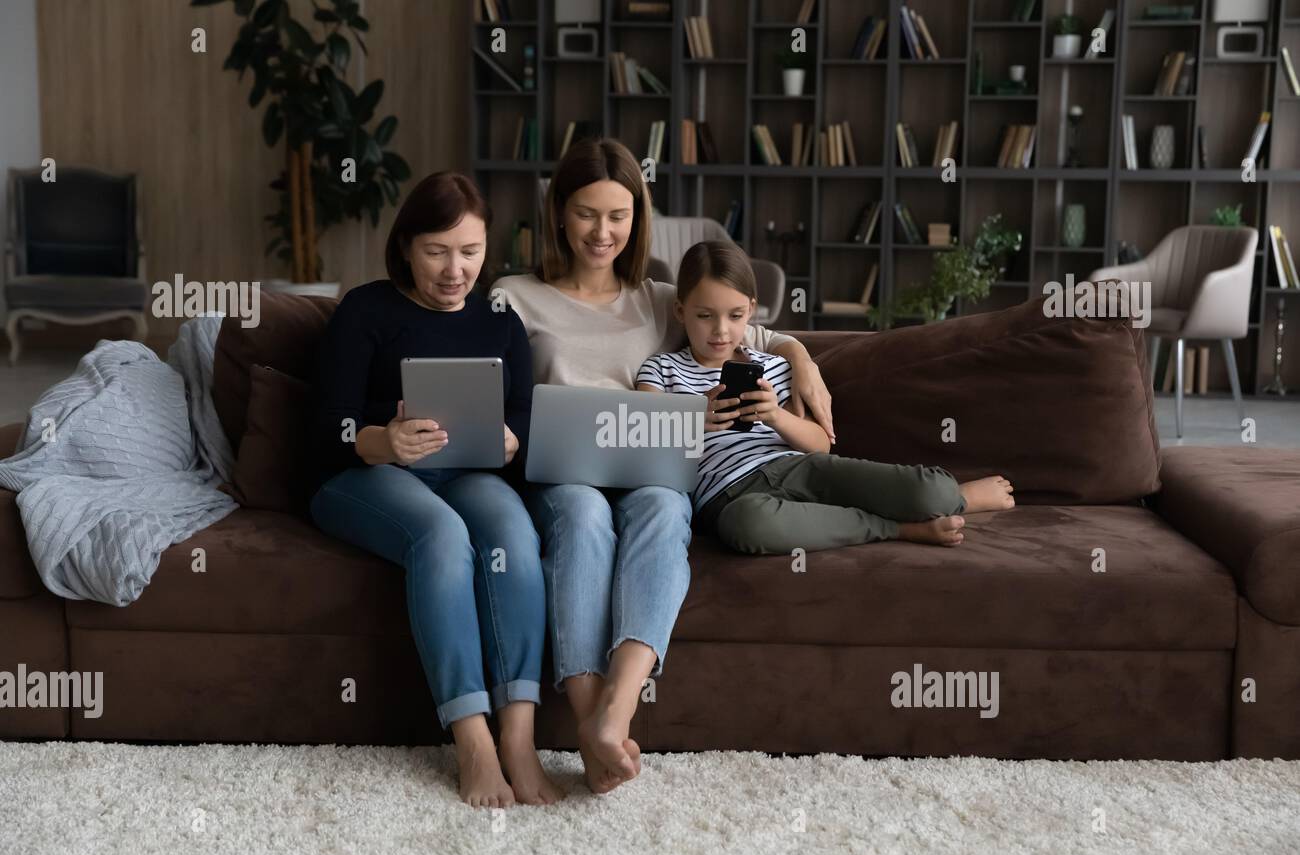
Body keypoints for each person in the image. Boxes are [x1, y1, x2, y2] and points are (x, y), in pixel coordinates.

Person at [491, 137, 837, 794]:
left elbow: (756, 330)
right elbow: (495, 389)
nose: (603, 232)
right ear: (559, 212)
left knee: (662, 507)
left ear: (637, 217)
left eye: (618, 215)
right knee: (587, 516)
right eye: (588, 213)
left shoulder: (658, 298)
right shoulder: (515, 296)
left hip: (650, 467)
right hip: (565, 473)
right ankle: (593, 720)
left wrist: (805, 362)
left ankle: (616, 710)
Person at [309, 172, 561, 809]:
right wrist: (380, 441)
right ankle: (472, 739)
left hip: (471, 471)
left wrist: (513, 439)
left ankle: (520, 737)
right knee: (443, 536)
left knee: (512, 534)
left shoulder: (501, 321)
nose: (456, 270)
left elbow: (528, 412)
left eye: (471, 252)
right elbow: (324, 425)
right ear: (406, 247)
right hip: (365, 474)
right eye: (437, 251)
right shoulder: (366, 309)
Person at [636, 240, 1016, 554]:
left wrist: (776, 416)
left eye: (735, 316)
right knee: (750, 527)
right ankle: (898, 528)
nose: (721, 330)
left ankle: (955, 498)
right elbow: (643, 440)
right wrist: (691, 416)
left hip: (799, 468)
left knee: (932, 489)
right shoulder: (661, 369)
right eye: (705, 316)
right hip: (728, 496)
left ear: (752, 310)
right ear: (681, 311)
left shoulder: (772, 364)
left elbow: (821, 446)